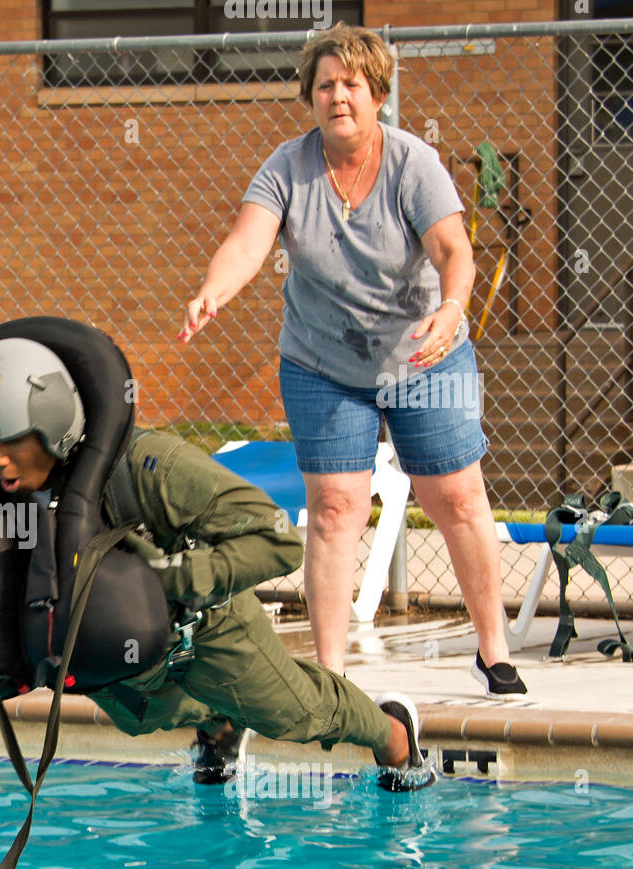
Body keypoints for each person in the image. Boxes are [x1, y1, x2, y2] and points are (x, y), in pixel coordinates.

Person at [0, 334, 434, 791]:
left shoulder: (146, 465)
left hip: (206, 624)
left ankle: (392, 733)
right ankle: (220, 724)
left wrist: (172, 578)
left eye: (11, 443)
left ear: (51, 424)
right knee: (139, 719)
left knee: (295, 715)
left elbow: (276, 540)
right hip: (103, 634)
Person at [178, 22, 526, 700]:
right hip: (324, 363)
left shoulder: (413, 163)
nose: (338, 96)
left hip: (424, 353)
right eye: (325, 86)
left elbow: (454, 250)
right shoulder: (287, 167)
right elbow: (247, 242)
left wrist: (452, 308)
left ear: (377, 95)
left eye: (352, 85)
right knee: (337, 507)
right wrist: (212, 291)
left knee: (456, 496)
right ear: (310, 96)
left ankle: (493, 653)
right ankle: (331, 677)